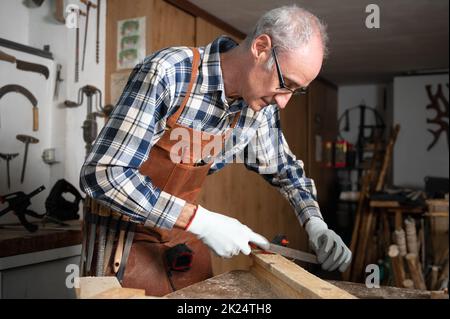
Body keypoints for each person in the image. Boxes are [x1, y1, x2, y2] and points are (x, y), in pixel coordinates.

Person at [80, 4, 351, 295]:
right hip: (119, 241)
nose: (284, 102)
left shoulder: (258, 108)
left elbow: (285, 170)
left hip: (180, 235)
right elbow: (103, 174)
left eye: (297, 91)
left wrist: (315, 223)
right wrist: (202, 221)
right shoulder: (170, 73)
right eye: (286, 84)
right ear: (261, 48)